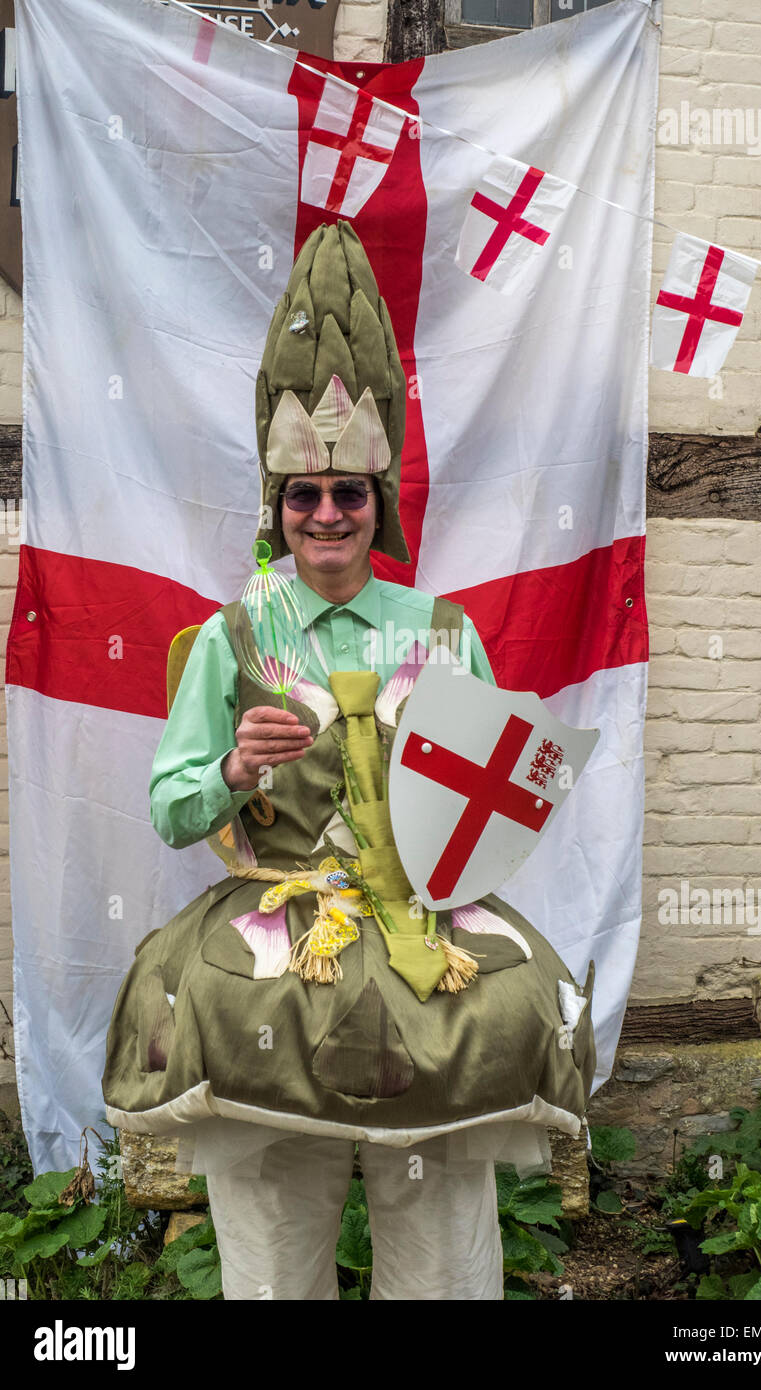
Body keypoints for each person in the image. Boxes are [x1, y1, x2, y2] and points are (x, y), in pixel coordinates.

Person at [103, 221, 596, 1301]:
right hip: (285, 942)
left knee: (444, 1231)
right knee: (275, 1228)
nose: (326, 513)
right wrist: (233, 770)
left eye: (347, 494)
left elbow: (499, 794)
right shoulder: (237, 636)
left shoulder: (442, 628)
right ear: (277, 511)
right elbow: (169, 807)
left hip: (427, 942)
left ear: (378, 504)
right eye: (303, 496)